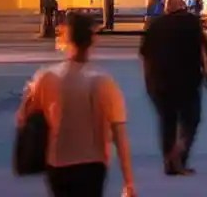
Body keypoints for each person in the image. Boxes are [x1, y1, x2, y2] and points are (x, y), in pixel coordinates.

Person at [16, 11, 136, 197]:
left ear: (65, 38)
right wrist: (128, 182)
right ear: (92, 41)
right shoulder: (103, 83)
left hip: (57, 164)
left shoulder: (46, 78)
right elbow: (119, 136)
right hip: (92, 165)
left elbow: (23, 118)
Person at [139, 0, 207, 176]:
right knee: (191, 120)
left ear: (165, 5)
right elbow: (204, 48)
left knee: (167, 121)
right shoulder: (191, 22)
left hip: (159, 83)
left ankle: (169, 162)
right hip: (187, 81)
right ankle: (178, 154)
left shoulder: (154, 26)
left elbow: (145, 55)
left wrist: (149, 82)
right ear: (181, 3)